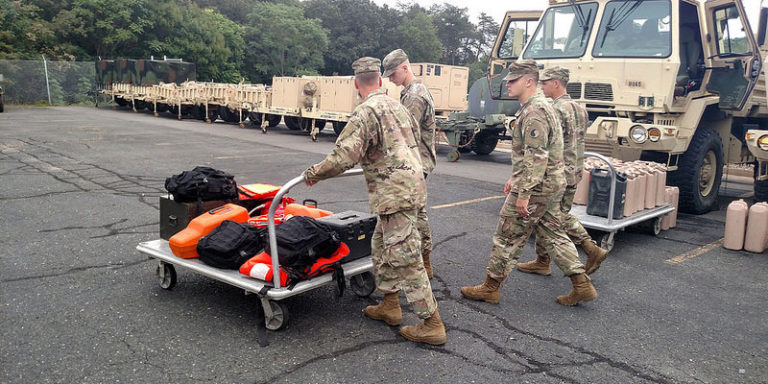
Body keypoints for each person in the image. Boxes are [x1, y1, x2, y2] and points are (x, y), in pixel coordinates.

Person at [302, 57, 446, 345]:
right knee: (380, 247)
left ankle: (432, 323)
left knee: (406, 257)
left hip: (395, 194)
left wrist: (314, 173)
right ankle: (390, 306)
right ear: (380, 81)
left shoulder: (366, 112)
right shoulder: (398, 106)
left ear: (356, 84)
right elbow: (417, 142)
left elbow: (343, 157)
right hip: (409, 187)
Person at [460, 60, 598, 307]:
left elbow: (537, 156)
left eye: (513, 81)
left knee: (507, 234)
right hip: (550, 183)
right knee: (553, 233)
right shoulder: (541, 106)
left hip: (538, 186)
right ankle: (581, 284)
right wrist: (515, 177)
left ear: (529, 81)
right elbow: (535, 153)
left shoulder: (535, 111)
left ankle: (491, 287)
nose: (508, 85)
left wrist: (524, 193)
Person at [517, 66, 609, 277]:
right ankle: (542, 261)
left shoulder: (555, 109)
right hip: (575, 170)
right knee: (551, 216)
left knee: (553, 216)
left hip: (557, 173)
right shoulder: (580, 109)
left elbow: (546, 145)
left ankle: (590, 248)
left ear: (556, 83)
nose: (542, 87)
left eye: (545, 83)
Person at [382, 48, 438, 279]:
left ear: (405, 67)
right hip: (417, 162)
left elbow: (406, 135)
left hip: (413, 164)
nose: (390, 79)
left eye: (393, 74)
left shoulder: (414, 96)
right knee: (417, 211)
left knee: (407, 214)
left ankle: (417, 262)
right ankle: (423, 261)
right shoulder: (414, 91)